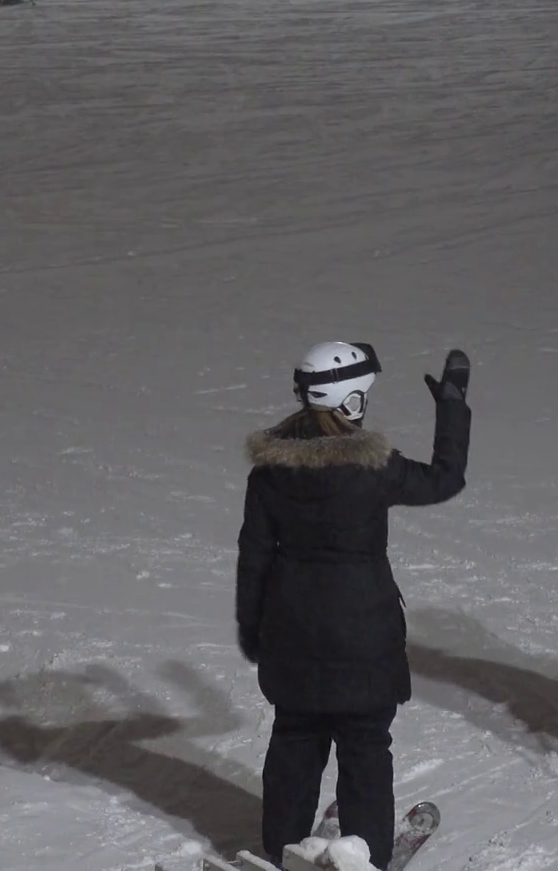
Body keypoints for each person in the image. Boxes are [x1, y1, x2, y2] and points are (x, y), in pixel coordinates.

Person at [237, 342, 471, 870]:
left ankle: (282, 848)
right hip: (363, 639)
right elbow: (444, 479)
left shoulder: (270, 471)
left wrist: (253, 630)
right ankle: (364, 855)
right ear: (352, 403)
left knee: (294, 740)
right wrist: (452, 406)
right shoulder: (374, 468)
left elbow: (253, 556)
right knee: (365, 747)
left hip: (291, 637)